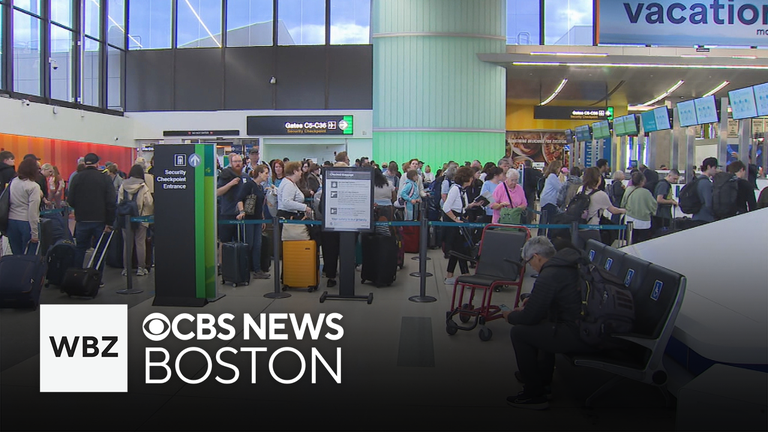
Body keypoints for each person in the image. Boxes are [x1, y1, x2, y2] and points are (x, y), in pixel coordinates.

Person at [502, 236, 597, 410]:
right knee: (546, 324)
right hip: (587, 326)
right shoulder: (566, 264)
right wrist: (533, 301)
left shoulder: (550, 274)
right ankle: (542, 382)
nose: (531, 266)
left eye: (529, 262)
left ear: (537, 256)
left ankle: (534, 395)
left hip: (579, 333)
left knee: (520, 333)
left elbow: (530, 317)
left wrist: (509, 316)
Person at [67, 153, 116, 283]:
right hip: (100, 220)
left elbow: (70, 200)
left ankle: (76, 277)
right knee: (99, 250)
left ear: (84, 163)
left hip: (82, 219)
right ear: (97, 163)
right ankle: (95, 278)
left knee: (80, 248)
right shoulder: (104, 179)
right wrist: (110, 222)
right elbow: (111, 201)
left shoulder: (77, 177)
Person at [442, 166, 483, 285]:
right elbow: (446, 207)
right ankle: (464, 274)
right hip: (454, 224)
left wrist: (473, 204)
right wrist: (455, 219)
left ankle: (451, 275)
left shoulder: (462, 190)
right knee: (460, 250)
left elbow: (462, 207)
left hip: (459, 222)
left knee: (457, 250)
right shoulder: (455, 189)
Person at [574, 167, 625, 248]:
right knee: (595, 255)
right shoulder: (601, 194)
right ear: (598, 178)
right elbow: (613, 210)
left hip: (578, 228)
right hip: (592, 229)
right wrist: (624, 210)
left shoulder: (581, 189)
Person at [117, 164, 154, 276]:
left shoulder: (123, 185)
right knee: (140, 243)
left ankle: (126, 268)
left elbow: (119, 201)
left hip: (126, 219)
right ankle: (140, 268)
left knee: (127, 244)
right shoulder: (143, 187)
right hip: (141, 218)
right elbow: (148, 202)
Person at [236, 164, 271, 280]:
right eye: (266, 173)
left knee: (257, 245)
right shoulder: (248, 185)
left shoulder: (260, 187)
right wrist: (242, 211)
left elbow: (260, 205)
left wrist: (262, 218)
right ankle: (245, 268)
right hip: (248, 219)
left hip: (257, 219)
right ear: (259, 173)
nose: (267, 175)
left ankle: (257, 269)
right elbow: (240, 199)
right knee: (249, 244)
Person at [216, 153, 248, 267]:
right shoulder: (225, 175)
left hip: (242, 213)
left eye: (240, 161)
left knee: (241, 241)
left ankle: (239, 265)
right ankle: (221, 264)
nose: (238, 163)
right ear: (231, 163)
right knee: (224, 241)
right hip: (227, 213)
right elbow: (217, 192)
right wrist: (231, 184)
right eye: (235, 162)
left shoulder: (245, 176)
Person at [6, 158, 42, 255]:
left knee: (16, 254)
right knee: (29, 257)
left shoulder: (13, 181)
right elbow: (33, 211)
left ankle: (16, 270)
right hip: (26, 222)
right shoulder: (34, 186)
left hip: (11, 221)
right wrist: (35, 233)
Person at [620, 171, 658, 243]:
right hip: (643, 222)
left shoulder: (628, 189)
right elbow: (653, 206)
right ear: (642, 181)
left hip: (629, 219)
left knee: (631, 240)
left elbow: (623, 204)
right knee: (643, 242)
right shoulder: (646, 192)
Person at [692, 157, 718, 223]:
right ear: (709, 167)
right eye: (715, 168)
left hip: (697, 216)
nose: (716, 170)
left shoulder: (697, 180)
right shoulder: (706, 183)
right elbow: (708, 203)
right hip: (705, 218)